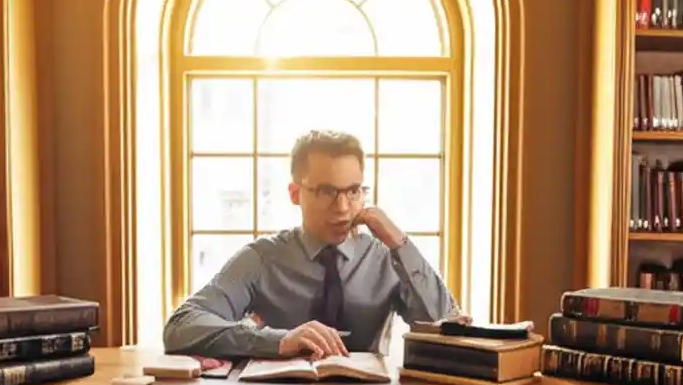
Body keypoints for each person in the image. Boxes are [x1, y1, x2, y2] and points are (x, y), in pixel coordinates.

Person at [163, 129, 462, 360]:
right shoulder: (262, 258)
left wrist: (400, 243)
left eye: (354, 191)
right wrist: (278, 341)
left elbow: (448, 329)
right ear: (295, 194)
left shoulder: (387, 258)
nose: (343, 207)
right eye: (327, 191)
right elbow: (181, 327)